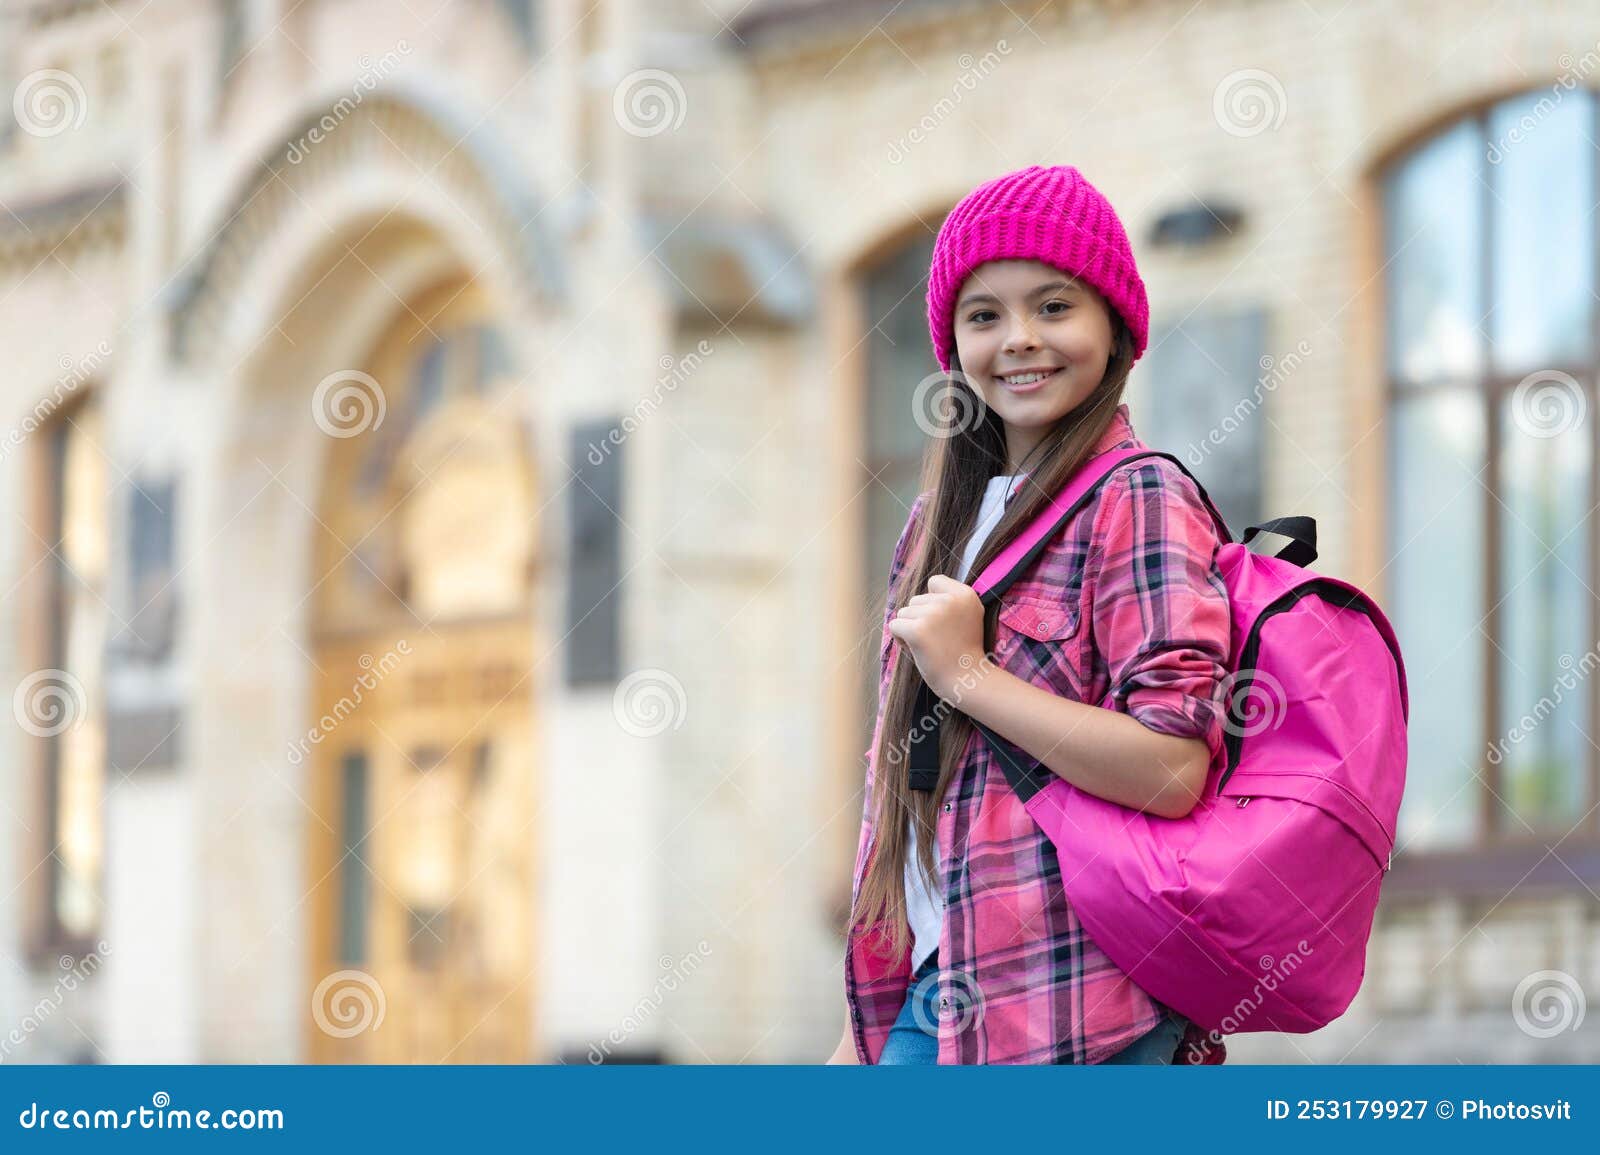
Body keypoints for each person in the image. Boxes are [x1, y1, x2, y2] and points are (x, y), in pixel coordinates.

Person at [827, 164, 1231, 1065]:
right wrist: (864, 1031)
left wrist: (971, 676)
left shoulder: (1139, 497)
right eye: (985, 315)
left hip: (1080, 1011)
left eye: (1054, 307)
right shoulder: (937, 528)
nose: (1019, 340)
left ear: (1115, 326)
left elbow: (1172, 767)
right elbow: (906, 784)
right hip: (932, 995)